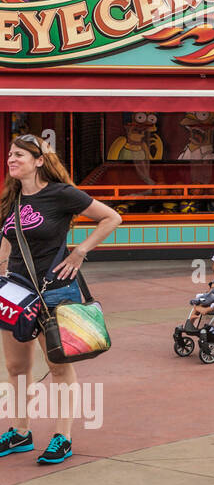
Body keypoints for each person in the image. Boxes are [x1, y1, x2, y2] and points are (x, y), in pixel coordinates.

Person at [0, 134, 122, 465]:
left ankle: (63, 436)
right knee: (15, 367)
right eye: (10, 154)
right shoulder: (11, 197)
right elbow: (8, 243)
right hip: (16, 291)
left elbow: (112, 217)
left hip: (54, 289)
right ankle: (20, 431)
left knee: (58, 366)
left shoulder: (60, 194)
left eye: (19, 155)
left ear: (39, 160)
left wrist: (81, 251)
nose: (11, 159)